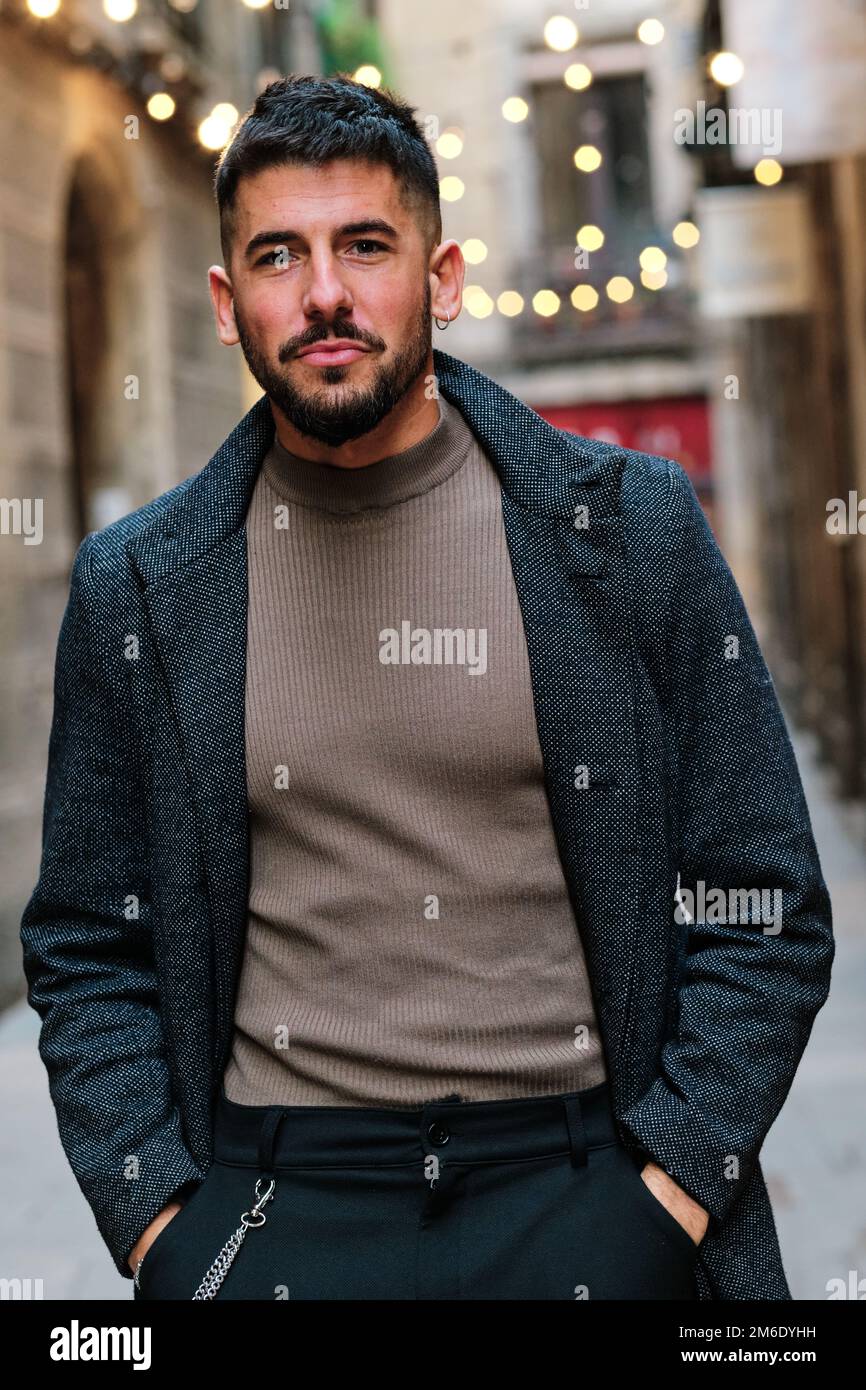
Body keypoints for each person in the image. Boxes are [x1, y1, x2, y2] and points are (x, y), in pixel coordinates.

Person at [20, 74, 834, 1302]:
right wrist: (166, 1234)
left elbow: (762, 903)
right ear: (228, 303)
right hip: (277, 1207)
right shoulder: (141, 586)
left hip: (584, 1187)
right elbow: (86, 943)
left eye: (364, 245)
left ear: (441, 279)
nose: (325, 292)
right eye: (279, 256)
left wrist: (660, 1198)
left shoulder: (628, 532)